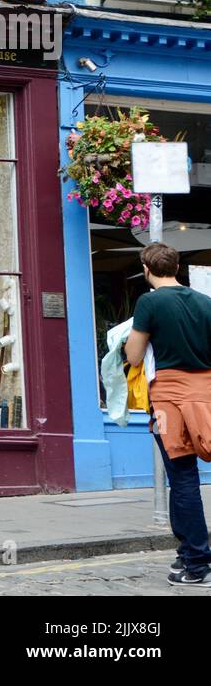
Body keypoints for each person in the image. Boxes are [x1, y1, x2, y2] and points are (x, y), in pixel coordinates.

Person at [124, 242, 211, 586]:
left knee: (183, 476)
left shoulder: (149, 302)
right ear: (177, 267)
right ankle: (188, 554)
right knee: (186, 478)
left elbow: (133, 355)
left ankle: (198, 563)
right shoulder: (205, 302)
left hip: (169, 397)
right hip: (205, 393)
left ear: (147, 269)